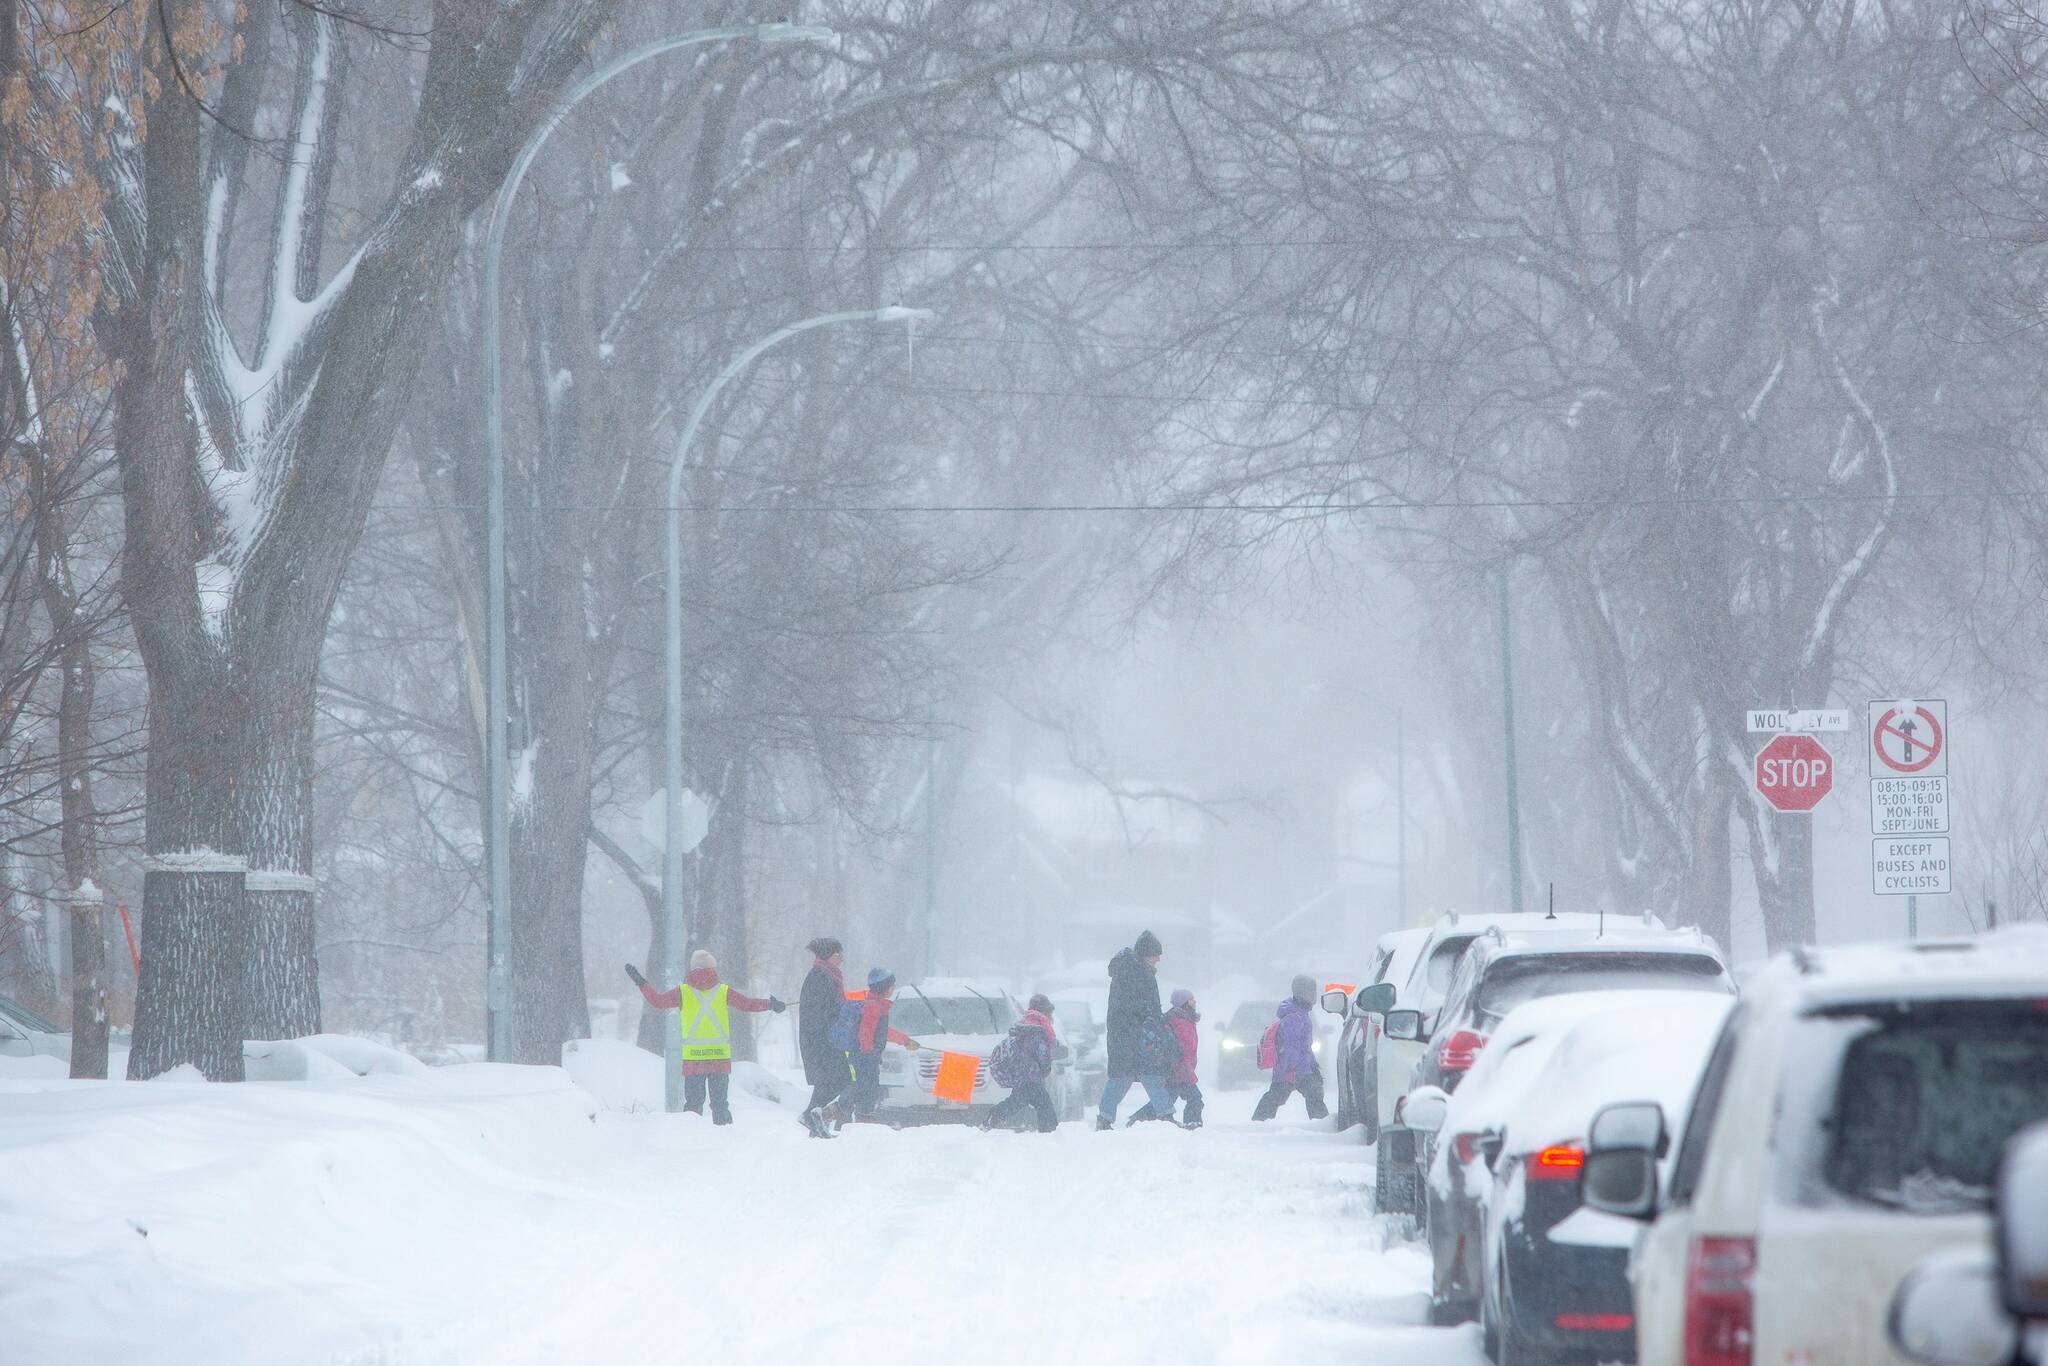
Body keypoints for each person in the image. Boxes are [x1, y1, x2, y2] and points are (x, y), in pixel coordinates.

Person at [629, 949, 786, 1125]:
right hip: (719, 1060)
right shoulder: (723, 991)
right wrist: (770, 1004)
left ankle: (692, 1142)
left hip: (694, 1061)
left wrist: (641, 982)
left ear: (692, 968)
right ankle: (726, 1141)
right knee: (720, 1106)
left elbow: (657, 1001)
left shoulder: (683, 993)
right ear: (712, 968)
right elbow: (747, 1004)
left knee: (693, 1108)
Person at [1098, 929, 1177, 1130]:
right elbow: (1132, 1006)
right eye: (1155, 955)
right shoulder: (1133, 973)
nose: (1158, 959)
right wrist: (1150, 1021)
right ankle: (1165, 1115)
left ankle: (1105, 1118)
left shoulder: (1132, 971)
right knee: (1145, 1075)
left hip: (1129, 1037)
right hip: (1133, 1037)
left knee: (1123, 1078)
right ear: (1146, 954)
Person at [1251, 975, 1329, 1122]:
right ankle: (1322, 1122)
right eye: (1309, 992)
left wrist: (1312, 1064)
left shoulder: (1301, 1014)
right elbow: (1291, 1046)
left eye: (1313, 992)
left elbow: (1304, 1047)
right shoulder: (1294, 1017)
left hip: (1297, 1068)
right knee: (1303, 1094)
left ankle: (1259, 1120)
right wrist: (1295, 1067)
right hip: (1292, 1070)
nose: (1312, 997)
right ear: (1300, 993)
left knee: (1280, 1096)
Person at [981, 994, 1063, 1133]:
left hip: (1023, 1073)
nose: (1051, 1017)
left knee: (1025, 1101)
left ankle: (1048, 1131)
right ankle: (1049, 1132)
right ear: (1044, 1012)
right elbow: (1041, 1053)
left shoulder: (1027, 1025)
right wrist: (1045, 1066)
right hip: (1030, 1075)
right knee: (1038, 1104)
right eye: (1050, 1013)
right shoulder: (1038, 1029)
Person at [847, 967, 921, 1121]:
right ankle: (853, 1116)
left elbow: (882, 1031)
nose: (893, 988)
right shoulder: (873, 1006)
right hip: (866, 1056)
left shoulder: (878, 1005)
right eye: (891, 985)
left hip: (867, 1055)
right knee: (866, 1089)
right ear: (884, 988)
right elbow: (866, 1033)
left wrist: (905, 1041)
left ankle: (863, 1117)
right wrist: (869, 1054)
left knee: (868, 1089)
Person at [797, 937, 850, 1138]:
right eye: (838, 955)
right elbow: (823, 1011)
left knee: (828, 1082)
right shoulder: (820, 976)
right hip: (821, 1040)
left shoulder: (826, 975)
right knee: (840, 1080)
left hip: (824, 1039)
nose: (841, 959)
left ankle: (814, 1122)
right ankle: (811, 1116)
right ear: (829, 956)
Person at [1164, 988, 1204, 1128]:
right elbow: (1182, 1050)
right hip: (1181, 1070)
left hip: (1180, 1069)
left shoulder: (1185, 1019)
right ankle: (1193, 1126)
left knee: (1165, 1102)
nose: (1194, 1002)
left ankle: (1140, 1120)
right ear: (1184, 1003)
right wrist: (1185, 1069)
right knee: (1195, 1099)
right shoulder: (1181, 1022)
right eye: (1191, 999)